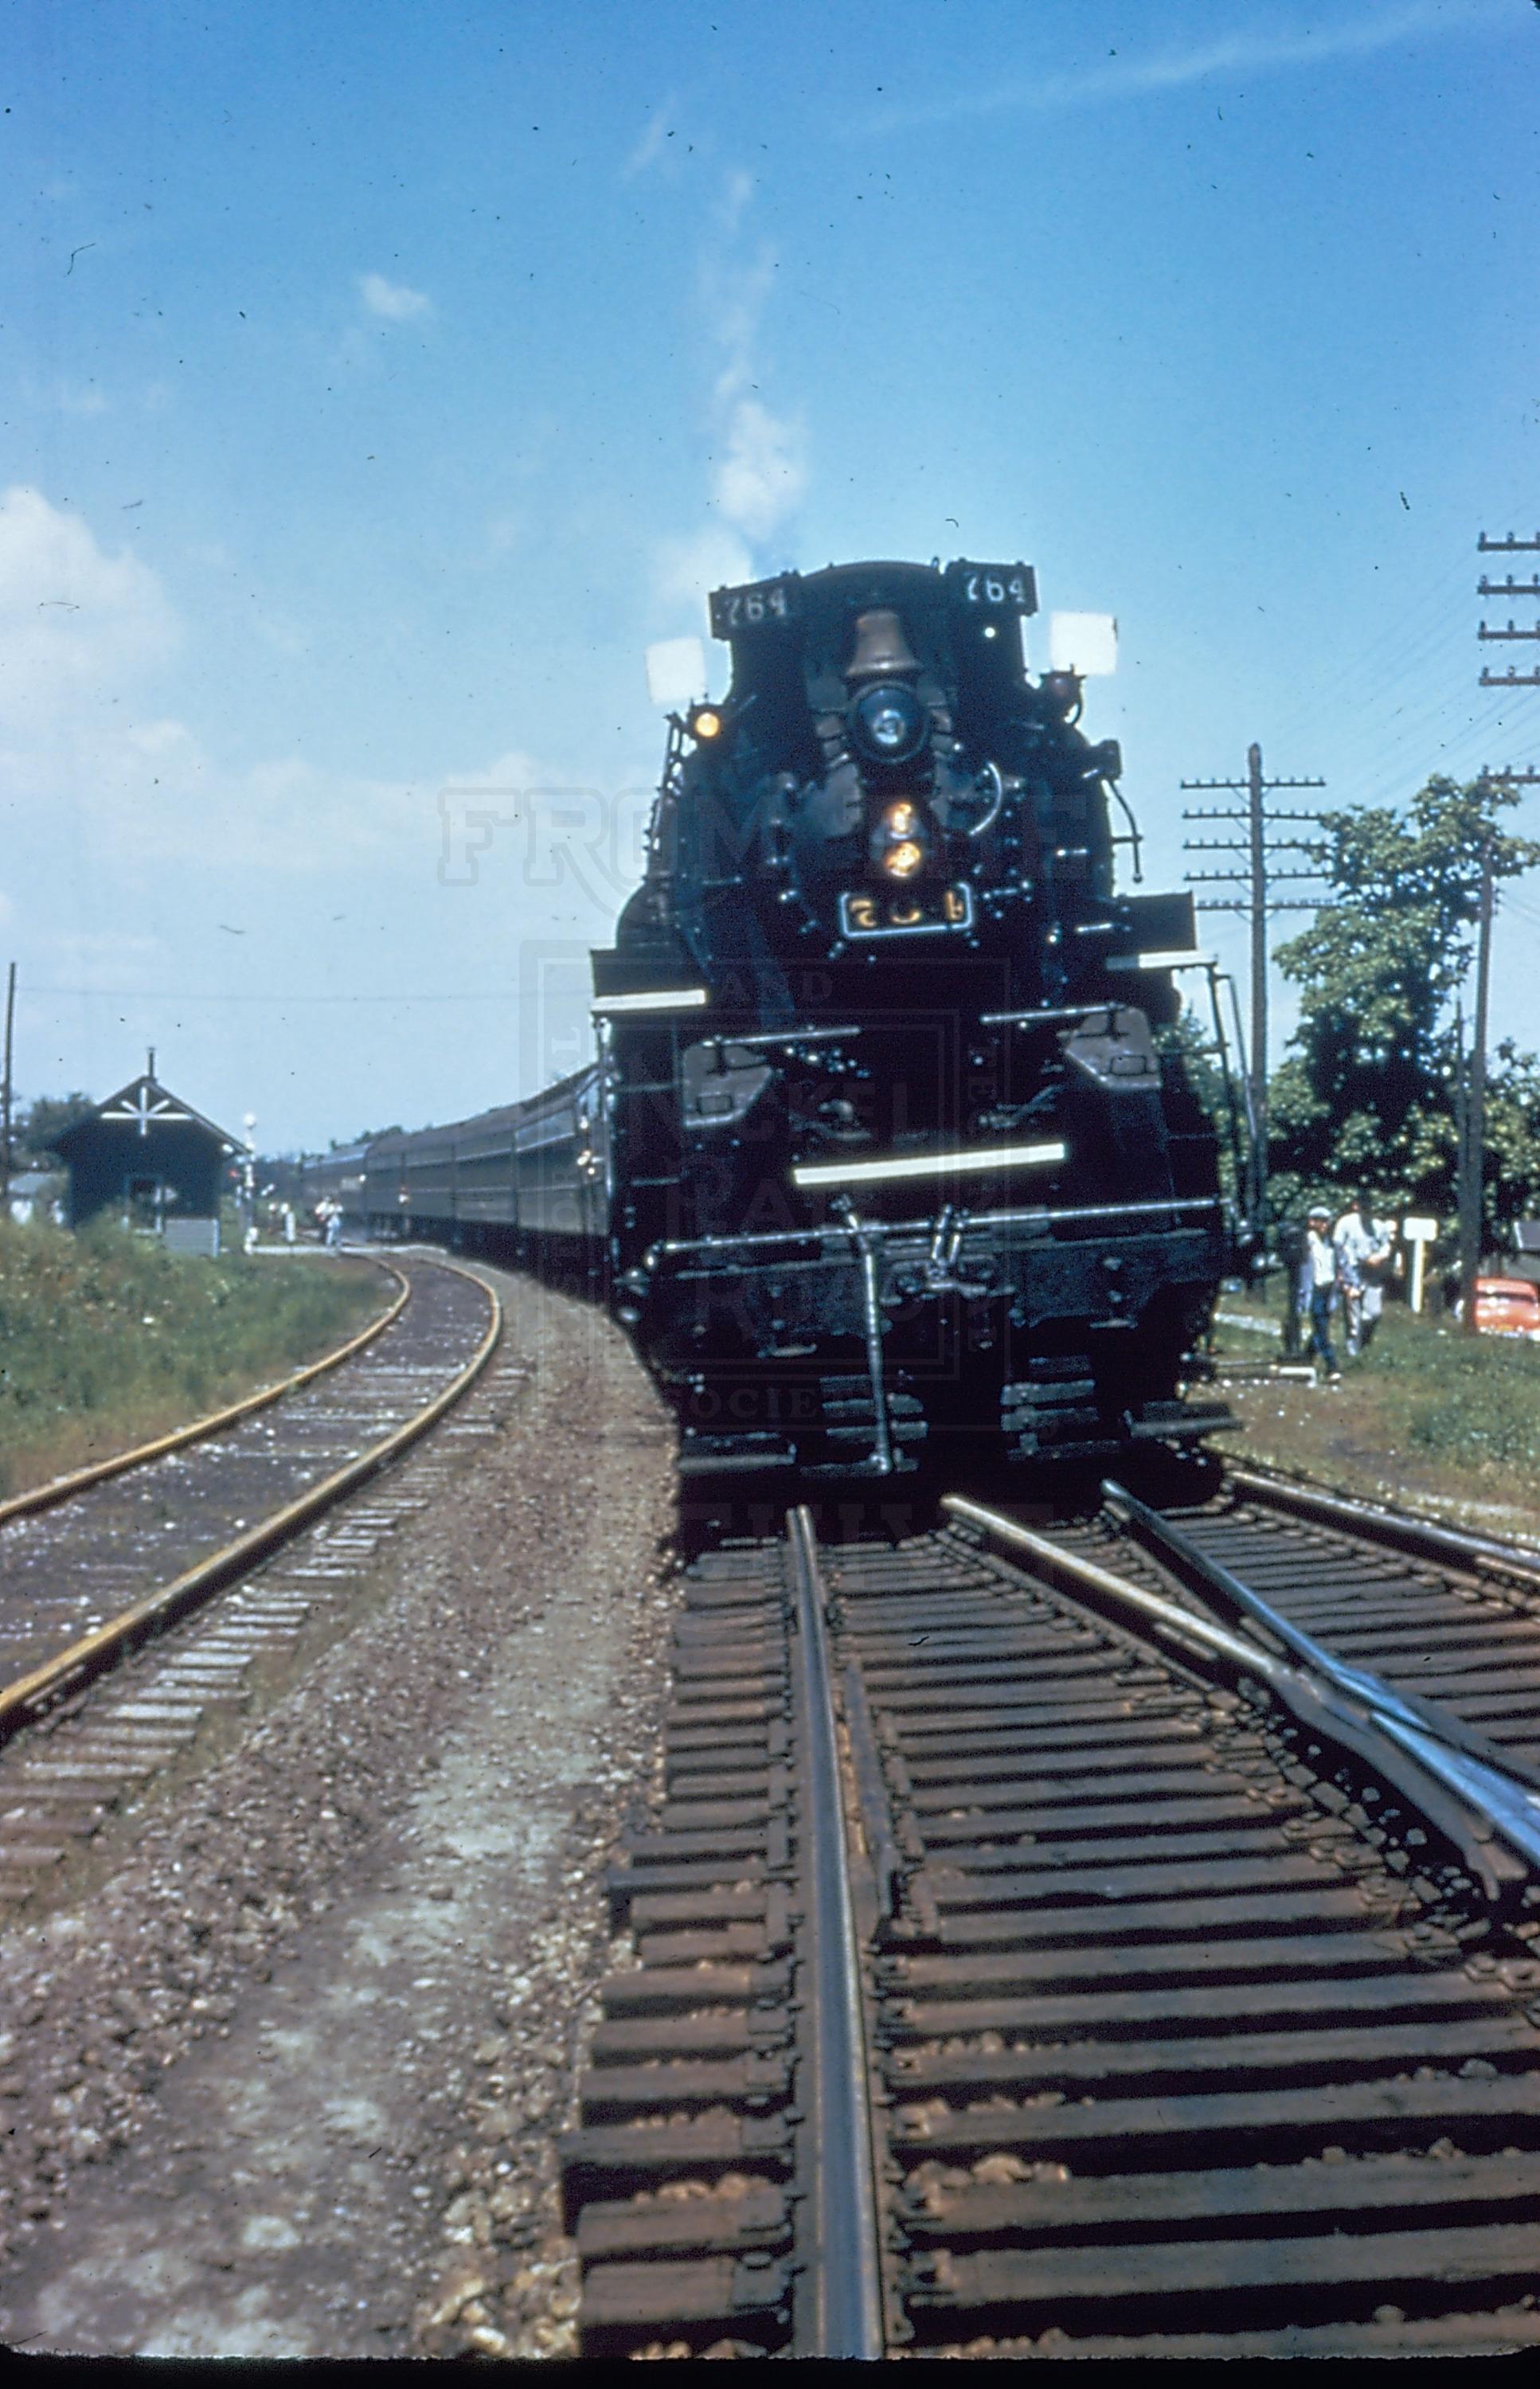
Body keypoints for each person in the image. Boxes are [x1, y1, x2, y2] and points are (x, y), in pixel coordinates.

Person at [1335, 1194, 1393, 1358]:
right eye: (1362, 1205)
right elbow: (1338, 1248)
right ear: (1356, 1206)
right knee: (1353, 1314)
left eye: (1369, 1205)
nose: (1366, 1209)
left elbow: (1386, 1247)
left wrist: (1380, 1257)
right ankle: (1353, 1353)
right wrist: (1340, 1273)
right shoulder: (1345, 1223)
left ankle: (1365, 1340)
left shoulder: (1379, 1226)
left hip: (1373, 1274)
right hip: (1351, 1272)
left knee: (1373, 1313)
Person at [1303, 1202, 1343, 1382]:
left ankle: (1306, 1358)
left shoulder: (1330, 1243)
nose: (1325, 1225)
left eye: (1327, 1221)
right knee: (1321, 1328)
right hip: (1315, 1289)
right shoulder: (1308, 1241)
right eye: (1321, 1221)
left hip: (1329, 1289)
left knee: (1322, 1325)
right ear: (1312, 1222)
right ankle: (1332, 1366)